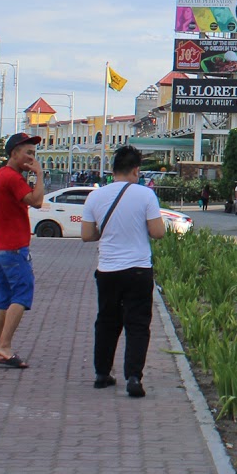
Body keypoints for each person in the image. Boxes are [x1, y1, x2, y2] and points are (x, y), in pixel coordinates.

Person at [81, 145, 167, 398]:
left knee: (106, 321)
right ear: (136, 170)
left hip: (107, 269)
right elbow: (158, 232)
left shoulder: (95, 196)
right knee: (138, 324)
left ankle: (102, 373)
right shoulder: (146, 195)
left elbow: (87, 235)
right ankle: (133, 377)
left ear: (113, 169)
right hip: (138, 269)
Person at [0, 133, 46, 369]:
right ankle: (4, 346)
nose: (32, 158)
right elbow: (36, 201)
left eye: (34, 153)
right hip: (14, 248)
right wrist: (39, 174)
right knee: (22, 294)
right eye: (28, 153)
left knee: (2, 298)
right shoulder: (13, 177)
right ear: (14, 153)